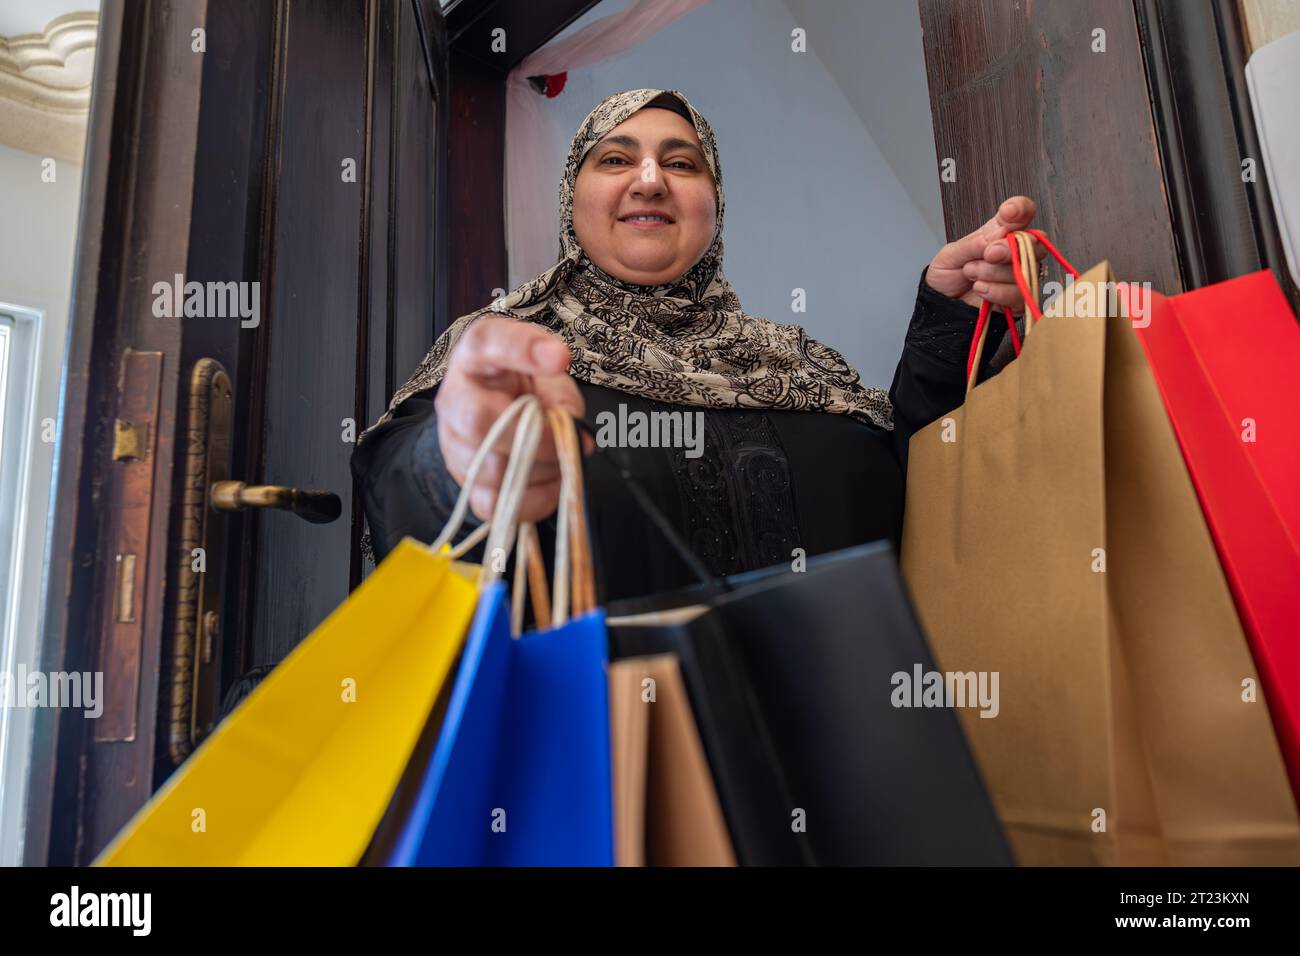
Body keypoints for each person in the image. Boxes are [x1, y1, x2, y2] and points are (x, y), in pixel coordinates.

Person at [352, 88, 1041, 601]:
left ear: (714, 203)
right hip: (608, 767)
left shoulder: (799, 362)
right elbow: (409, 515)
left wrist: (948, 326)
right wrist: (459, 461)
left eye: (681, 163)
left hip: (851, 764)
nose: (650, 179)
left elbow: (928, 505)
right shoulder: (511, 352)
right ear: (572, 200)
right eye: (616, 158)